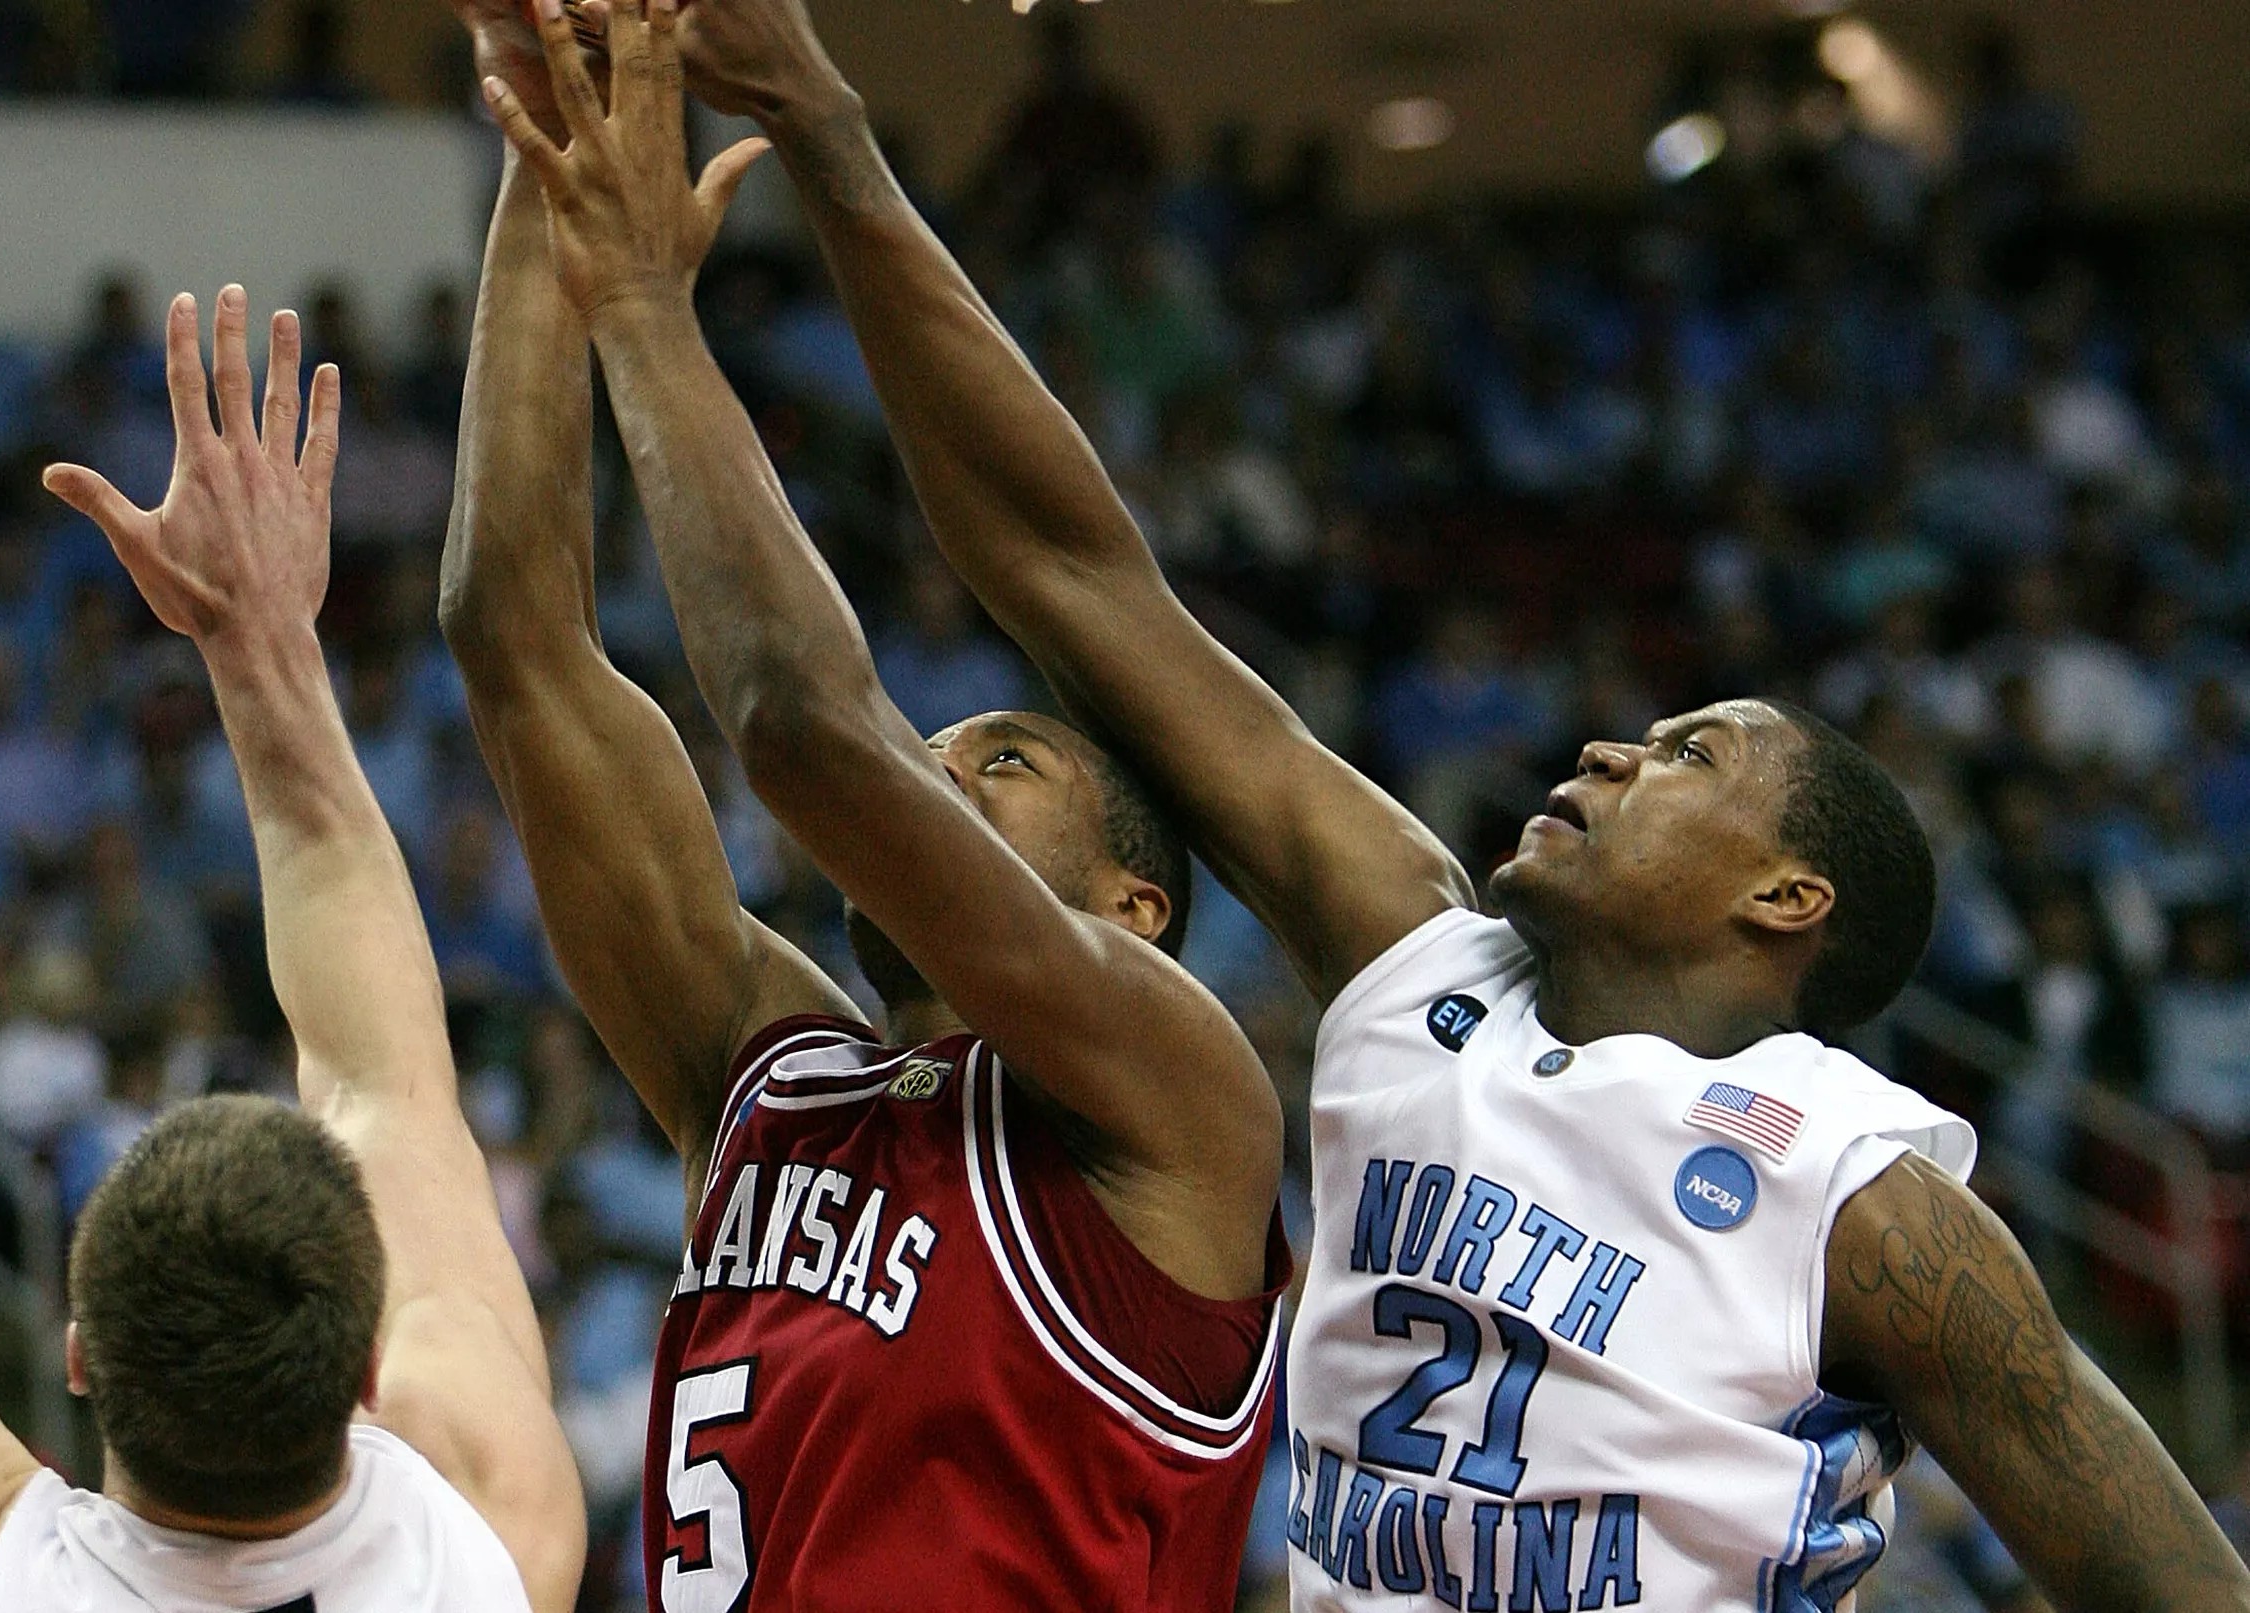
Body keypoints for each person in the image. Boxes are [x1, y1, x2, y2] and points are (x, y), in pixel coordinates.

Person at [634, 0, 2250, 1606]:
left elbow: (2171, 1579)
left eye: (1689, 754)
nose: (1615, 752)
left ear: (1785, 896)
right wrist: (832, 134)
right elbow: (1066, 568)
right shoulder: (1421, 960)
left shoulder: (1863, 1190)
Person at [443, 3, 1288, 1608]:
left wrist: (638, 300)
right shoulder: (763, 1068)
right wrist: (555, 109)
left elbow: (809, 729)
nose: (943, 769)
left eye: (1005, 764)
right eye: (945, 746)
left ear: (1134, 910)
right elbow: (515, 641)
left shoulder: (1190, 1102)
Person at [0, 290, 585, 1613]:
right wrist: (267, 641)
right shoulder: (492, 1529)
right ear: (366, 1375)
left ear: (76, 1360)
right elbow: (389, 1076)